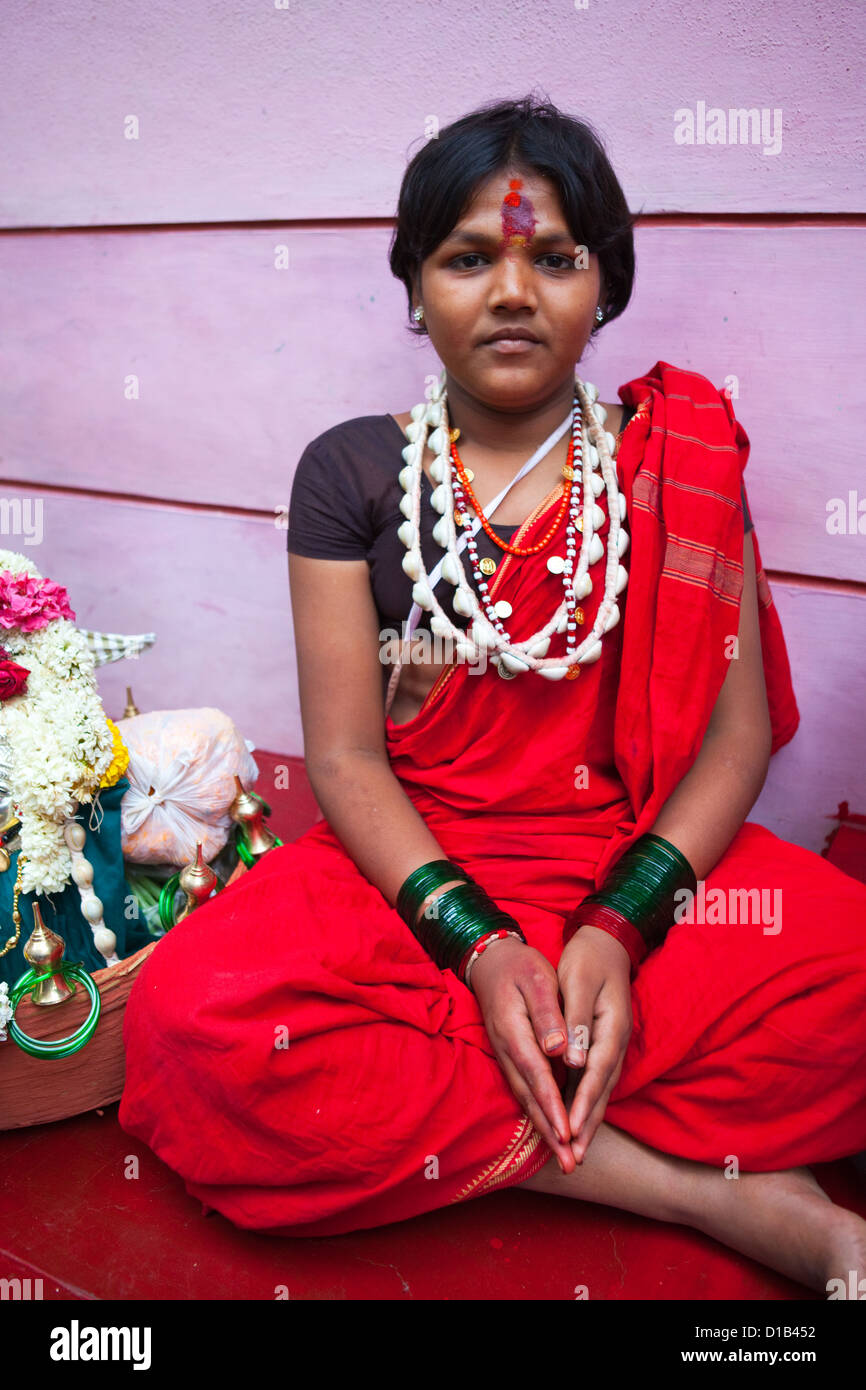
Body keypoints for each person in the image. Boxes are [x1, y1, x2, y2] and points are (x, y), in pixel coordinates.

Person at [118, 95, 866, 1296]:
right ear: (414, 287)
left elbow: (730, 747)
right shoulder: (352, 470)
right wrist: (477, 951)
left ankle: (502, 1092)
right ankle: (713, 1191)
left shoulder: (676, 456)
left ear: (603, 286)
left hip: (628, 864)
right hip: (407, 872)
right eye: (469, 258)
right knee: (191, 1024)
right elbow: (348, 761)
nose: (512, 292)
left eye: (554, 258)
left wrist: (619, 929)